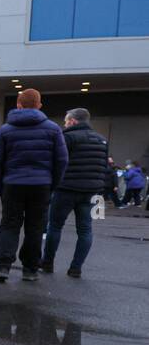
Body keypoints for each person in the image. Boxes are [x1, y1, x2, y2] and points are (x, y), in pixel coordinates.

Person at [0, 89, 67, 282]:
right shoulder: (53, 129)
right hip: (41, 184)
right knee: (35, 227)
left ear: (18, 105)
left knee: (9, 224)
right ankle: (30, 268)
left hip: (12, 183)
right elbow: (62, 160)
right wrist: (53, 183)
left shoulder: (6, 130)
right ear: (39, 105)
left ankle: (3, 266)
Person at [41, 109, 108, 279]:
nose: (64, 124)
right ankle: (76, 268)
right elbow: (103, 168)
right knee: (85, 230)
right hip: (92, 192)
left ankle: (47, 263)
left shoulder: (67, 138)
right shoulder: (102, 140)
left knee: (55, 226)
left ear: (72, 121)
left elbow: (58, 162)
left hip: (67, 189)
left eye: (66, 121)